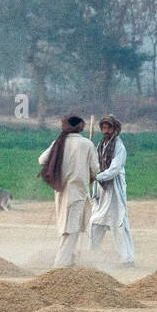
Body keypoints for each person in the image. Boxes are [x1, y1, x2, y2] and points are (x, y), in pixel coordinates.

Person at [38, 113, 99, 268]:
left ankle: (70, 259)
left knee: (69, 226)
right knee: (70, 228)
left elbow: (42, 160)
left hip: (60, 190)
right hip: (78, 192)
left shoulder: (58, 143)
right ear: (80, 127)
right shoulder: (87, 144)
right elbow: (96, 170)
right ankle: (60, 264)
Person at [89, 114, 135, 266]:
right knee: (95, 222)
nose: (106, 130)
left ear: (115, 129)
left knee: (118, 224)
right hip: (102, 190)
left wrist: (97, 176)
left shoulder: (119, 147)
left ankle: (127, 258)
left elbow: (114, 169)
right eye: (104, 127)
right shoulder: (100, 145)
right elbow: (95, 162)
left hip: (114, 190)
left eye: (109, 127)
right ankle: (92, 254)